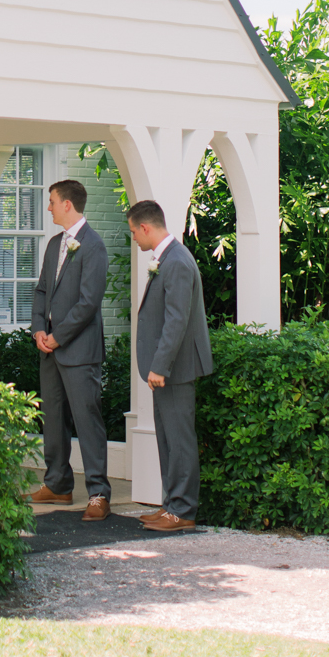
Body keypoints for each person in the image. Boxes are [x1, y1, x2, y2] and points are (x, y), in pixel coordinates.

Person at [129, 198, 214, 533]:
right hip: (167, 368)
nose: (134, 238)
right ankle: (171, 504)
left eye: (135, 231)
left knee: (179, 439)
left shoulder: (176, 261)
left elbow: (176, 321)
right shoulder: (168, 258)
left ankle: (183, 511)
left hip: (175, 368)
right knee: (167, 438)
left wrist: (159, 365)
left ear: (146, 227)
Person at [29, 179, 112, 522]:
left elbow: (88, 303)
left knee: (86, 420)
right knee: (52, 419)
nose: (48, 207)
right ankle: (58, 483)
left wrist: (58, 336)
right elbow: (41, 291)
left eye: (51, 202)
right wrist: (38, 329)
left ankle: (98, 493)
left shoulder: (93, 246)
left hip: (78, 350)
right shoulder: (53, 245)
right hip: (49, 348)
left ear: (67, 204)